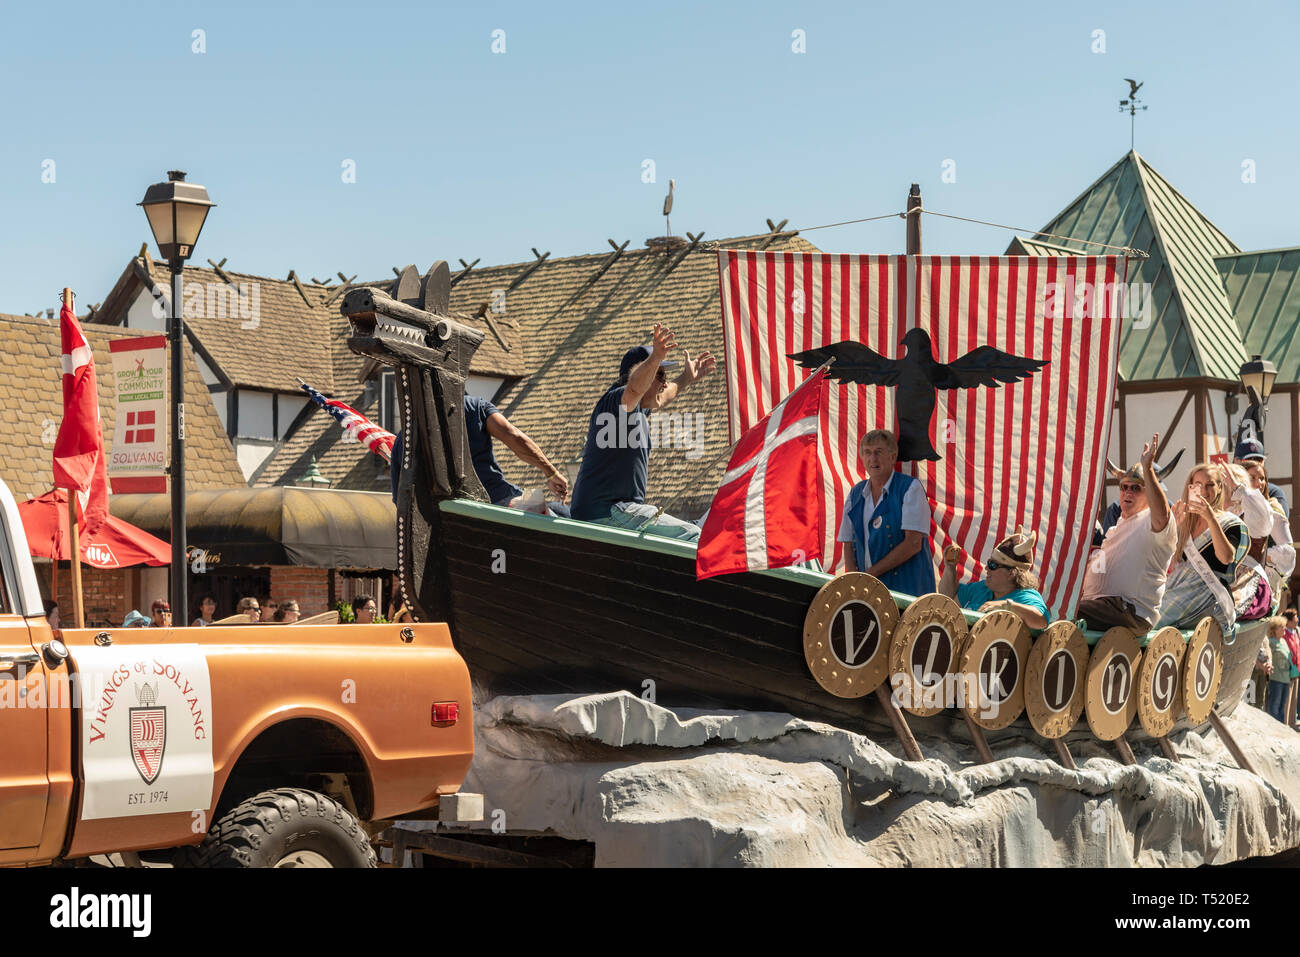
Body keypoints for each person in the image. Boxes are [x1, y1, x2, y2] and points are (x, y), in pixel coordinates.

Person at [570, 325, 715, 540]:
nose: (665, 382)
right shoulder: (617, 402)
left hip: (615, 511)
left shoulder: (638, 410)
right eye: (660, 374)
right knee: (693, 536)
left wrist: (686, 378)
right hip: (605, 510)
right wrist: (655, 357)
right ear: (640, 373)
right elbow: (634, 388)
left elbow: (665, 395)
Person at [390, 395, 570, 515]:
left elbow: (401, 501)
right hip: (497, 502)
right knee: (567, 517)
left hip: (442, 519)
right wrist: (551, 472)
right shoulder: (473, 407)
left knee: (559, 509)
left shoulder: (402, 438)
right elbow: (513, 436)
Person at [1077, 435, 1177, 634]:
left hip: (1129, 611)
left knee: (1062, 609)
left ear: (1149, 493)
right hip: (1105, 607)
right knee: (1055, 602)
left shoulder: (1153, 521)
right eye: (1124, 487)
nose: (1127, 492)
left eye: (1136, 488)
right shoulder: (1117, 527)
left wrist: (1147, 469)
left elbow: (1162, 514)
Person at [837, 429, 935, 595]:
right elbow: (848, 543)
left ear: (892, 456)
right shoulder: (855, 494)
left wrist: (870, 575)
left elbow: (913, 544)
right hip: (868, 592)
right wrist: (854, 582)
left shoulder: (910, 489)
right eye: (867, 453)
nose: (872, 458)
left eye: (878, 452)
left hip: (907, 592)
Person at [1155, 463, 1249, 633]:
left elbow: (1226, 558)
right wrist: (1173, 529)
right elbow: (1170, 561)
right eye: (1198, 485)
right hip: (1178, 586)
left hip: (1208, 595)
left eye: (1210, 485)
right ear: (1190, 487)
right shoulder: (1185, 521)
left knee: (1155, 620)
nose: (1204, 491)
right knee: (1145, 610)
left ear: (1220, 488)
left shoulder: (1230, 523)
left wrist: (1211, 519)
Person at [939, 527, 1050, 630]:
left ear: (1011, 573)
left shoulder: (1026, 596)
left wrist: (1006, 606)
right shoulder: (982, 588)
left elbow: (1041, 621)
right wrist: (950, 568)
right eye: (989, 562)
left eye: (993, 565)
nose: (987, 568)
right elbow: (949, 597)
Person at [1235, 438, 1289, 518]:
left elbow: (1279, 521)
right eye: (1249, 460)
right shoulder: (1226, 490)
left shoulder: (1274, 492)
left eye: (1259, 459)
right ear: (1236, 461)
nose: (1255, 464)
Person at [1265, 616, 1295, 723]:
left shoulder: (1283, 641)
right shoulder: (1270, 642)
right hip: (1275, 679)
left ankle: (1279, 731)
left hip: (1285, 679)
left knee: (1282, 708)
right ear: (1274, 629)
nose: (1284, 629)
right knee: (1274, 707)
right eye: (1282, 627)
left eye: (1284, 627)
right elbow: (1267, 657)